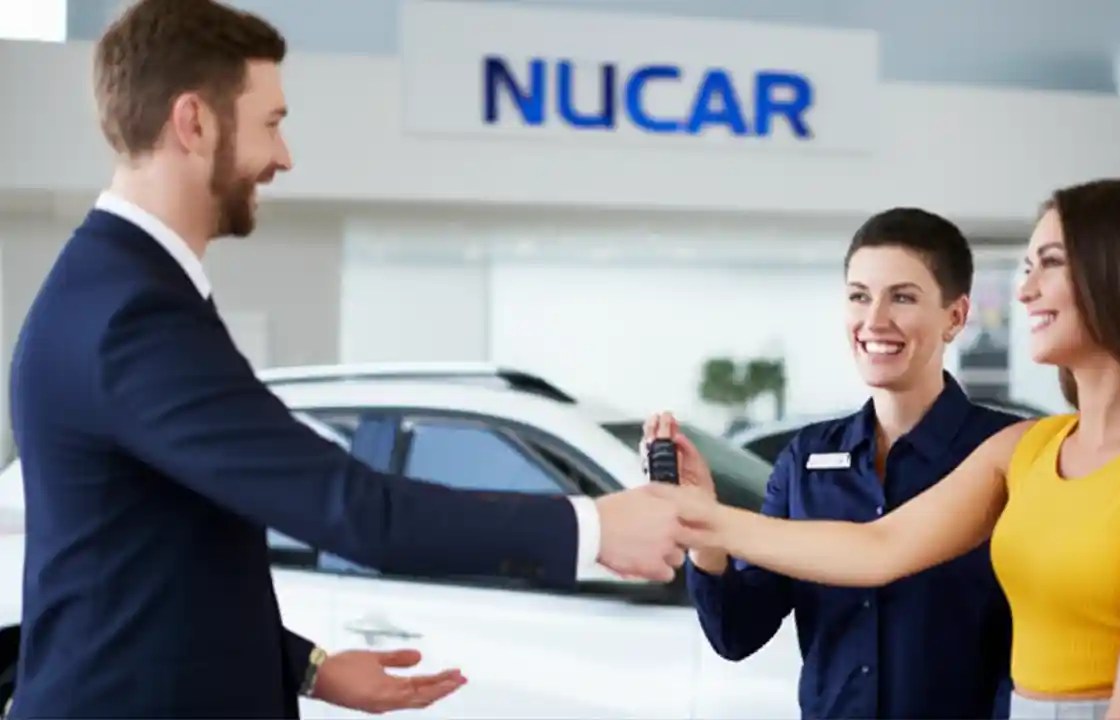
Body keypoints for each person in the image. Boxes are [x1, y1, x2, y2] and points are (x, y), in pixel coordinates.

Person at [4, 1, 685, 717]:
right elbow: (357, 509)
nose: (284, 155)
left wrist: (308, 669)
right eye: (271, 122)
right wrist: (596, 529)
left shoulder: (116, 289)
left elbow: (154, 563)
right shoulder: (132, 317)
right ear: (194, 122)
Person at [651, 178, 1120, 720]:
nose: (1024, 291)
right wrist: (702, 518)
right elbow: (876, 549)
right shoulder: (1027, 448)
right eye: (1027, 266)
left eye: (1049, 264)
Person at [669, 208, 1021, 719]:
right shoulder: (804, 460)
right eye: (859, 295)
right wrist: (702, 526)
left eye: (901, 297)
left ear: (956, 316)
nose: (874, 320)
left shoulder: (1003, 455)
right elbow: (735, 633)